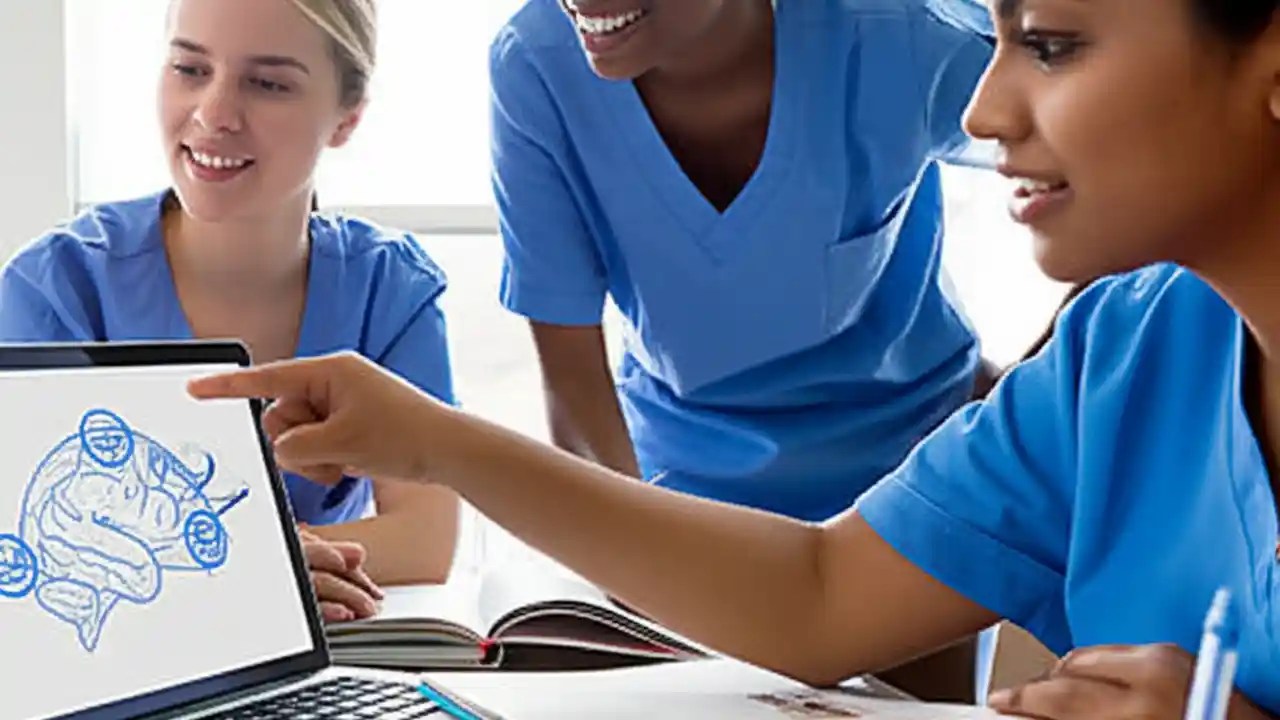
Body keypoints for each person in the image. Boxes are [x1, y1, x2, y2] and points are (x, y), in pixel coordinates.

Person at [190, 0, 1280, 714]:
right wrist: (435, 442)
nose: (987, 106)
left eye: (1049, 43)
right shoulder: (1122, 352)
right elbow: (816, 594)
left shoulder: (887, 44)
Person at [0, 0, 459, 623]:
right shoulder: (56, 288)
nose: (213, 113)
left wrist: (224, 566)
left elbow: (427, 542)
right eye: (190, 69)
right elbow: (35, 549)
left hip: (329, 666)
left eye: (267, 84)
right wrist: (256, 565)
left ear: (347, 117)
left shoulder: (390, 289)